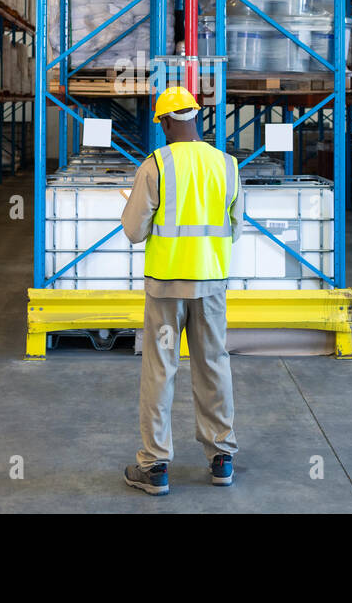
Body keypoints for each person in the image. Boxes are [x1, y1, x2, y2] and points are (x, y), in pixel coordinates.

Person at [119, 86, 243, 495]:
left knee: (160, 369)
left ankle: (155, 466)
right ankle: (221, 458)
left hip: (166, 286)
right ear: (194, 117)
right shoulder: (226, 164)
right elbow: (235, 228)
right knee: (213, 364)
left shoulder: (155, 165)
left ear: (167, 122)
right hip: (210, 284)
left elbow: (135, 231)